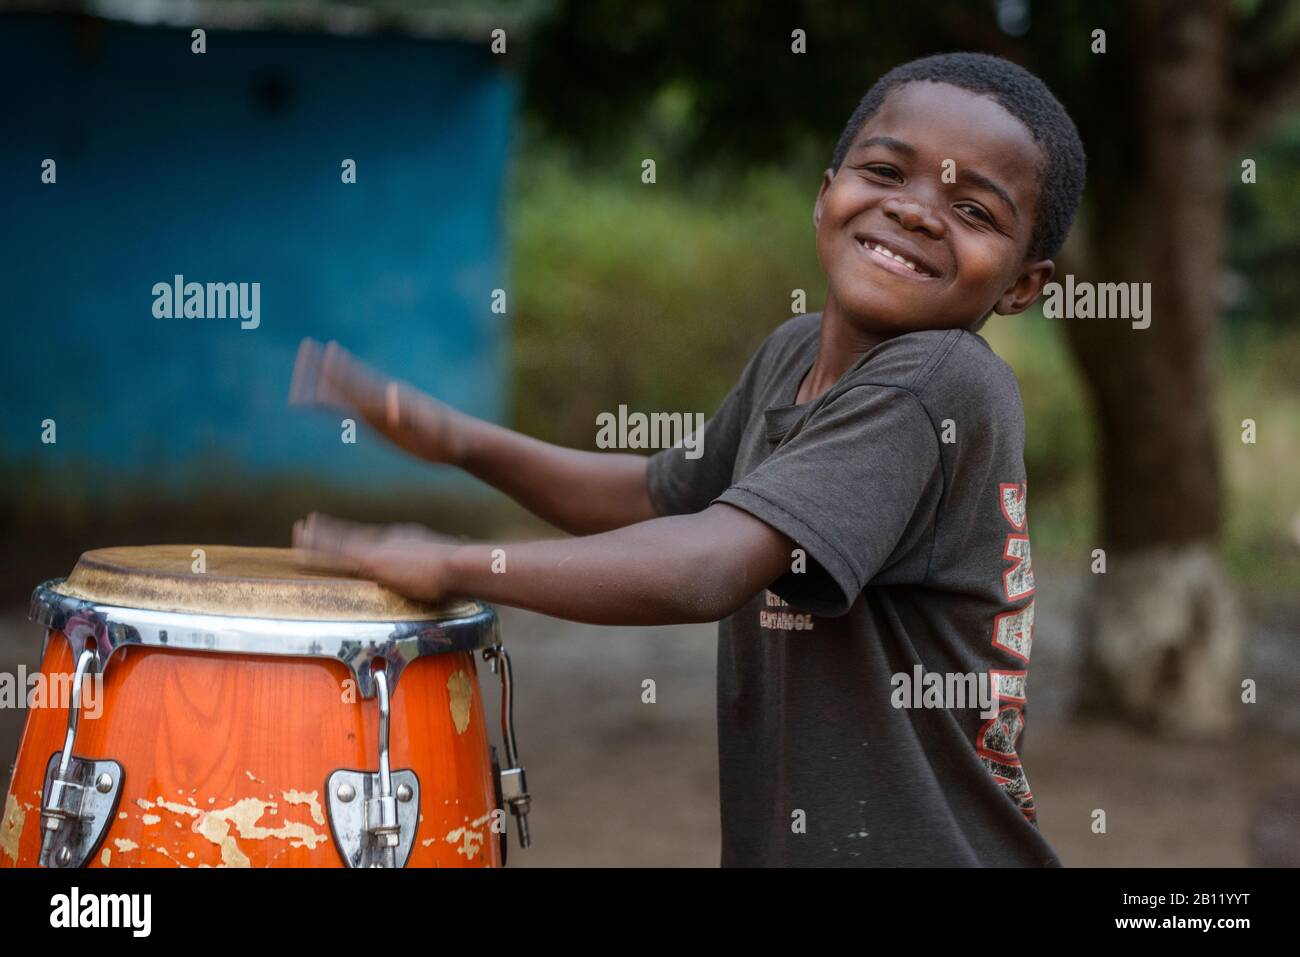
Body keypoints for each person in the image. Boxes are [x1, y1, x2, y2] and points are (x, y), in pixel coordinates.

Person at [290, 52, 1085, 867]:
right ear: (825, 194)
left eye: (974, 211)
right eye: (885, 170)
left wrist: (455, 562)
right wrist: (461, 442)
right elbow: (654, 499)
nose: (915, 213)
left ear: (1023, 285)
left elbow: (708, 565)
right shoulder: (793, 353)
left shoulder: (940, 380)